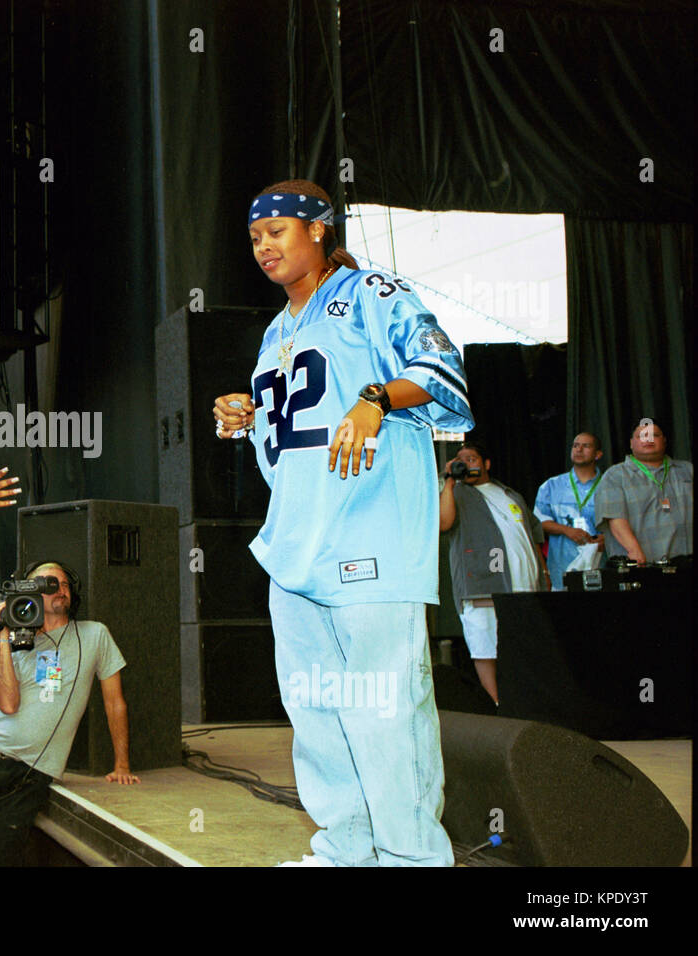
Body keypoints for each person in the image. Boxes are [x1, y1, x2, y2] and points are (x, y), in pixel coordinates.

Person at [213, 179, 472, 867]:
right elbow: (296, 438)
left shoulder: (370, 294)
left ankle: (413, 858)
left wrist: (377, 398)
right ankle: (345, 851)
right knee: (317, 713)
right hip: (298, 540)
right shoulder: (275, 331)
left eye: (279, 231)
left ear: (320, 229)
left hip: (371, 535)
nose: (264, 246)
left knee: (385, 711)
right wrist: (243, 416)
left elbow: (443, 366)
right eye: (255, 237)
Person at [0, 561, 138, 867]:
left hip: (31, 773)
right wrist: (4, 636)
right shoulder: (13, 642)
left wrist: (122, 764)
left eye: (64, 584)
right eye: (49, 585)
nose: (59, 590)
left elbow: (115, 702)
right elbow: (7, 703)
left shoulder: (94, 635)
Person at [439, 441, 549, 704]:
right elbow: (444, 522)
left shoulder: (510, 493)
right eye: (461, 459)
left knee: (523, 647)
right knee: (485, 645)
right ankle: (496, 704)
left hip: (524, 586)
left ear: (486, 463)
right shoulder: (455, 492)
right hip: (482, 585)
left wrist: (543, 571)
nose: (467, 463)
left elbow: (533, 534)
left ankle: (524, 703)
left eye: (472, 458)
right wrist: (450, 480)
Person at [595, 418, 693, 563]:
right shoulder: (615, 475)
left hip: (687, 564)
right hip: (643, 565)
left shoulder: (687, 470)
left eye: (655, 435)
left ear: (664, 440)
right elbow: (615, 519)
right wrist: (635, 552)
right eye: (642, 436)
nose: (648, 439)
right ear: (631, 443)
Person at [534, 432, 606, 589]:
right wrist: (566, 530)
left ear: (598, 454)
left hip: (601, 567)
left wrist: (607, 539)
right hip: (562, 568)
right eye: (575, 445)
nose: (579, 449)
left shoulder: (610, 485)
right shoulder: (551, 486)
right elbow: (538, 523)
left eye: (586, 446)